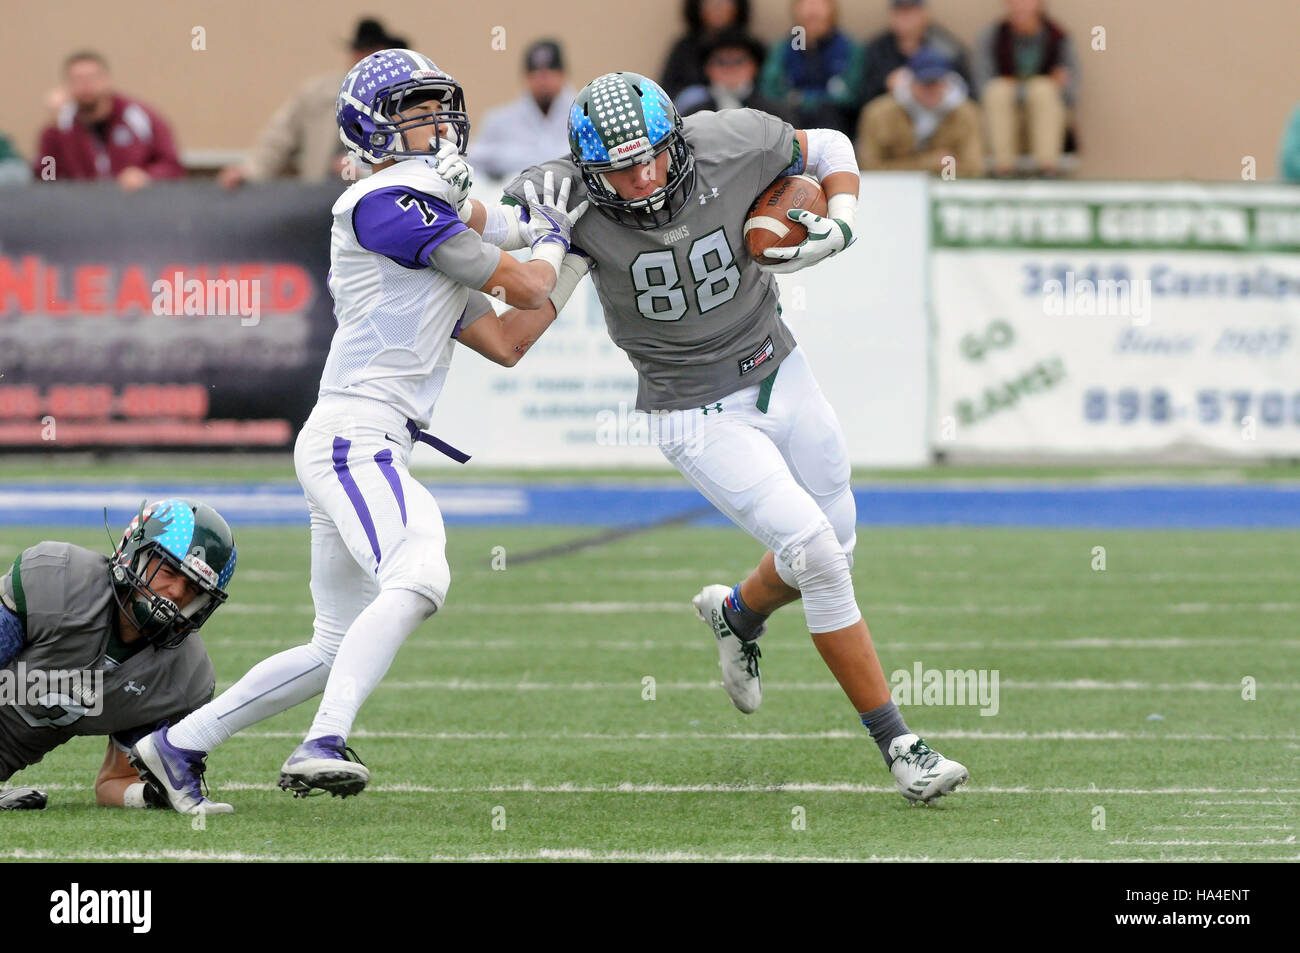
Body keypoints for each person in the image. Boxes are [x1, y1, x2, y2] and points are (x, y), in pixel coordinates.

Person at [445, 71, 969, 804]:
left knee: (835, 540)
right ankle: (900, 744)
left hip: (781, 367)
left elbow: (830, 146)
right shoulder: (563, 196)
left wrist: (841, 221)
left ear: (676, 139)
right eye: (621, 168)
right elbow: (509, 298)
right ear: (590, 170)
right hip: (691, 408)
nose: (644, 177)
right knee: (816, 552)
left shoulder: (732, 139)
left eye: (653, 155)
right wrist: (447, 227)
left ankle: (737, 613)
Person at [132, 48, 589, 812]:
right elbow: (526, 271)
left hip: (355, 437)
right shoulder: (384, 200)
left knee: (333, 644)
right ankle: (323, 740)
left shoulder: (427, 215)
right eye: (414, 114)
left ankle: (178, 745)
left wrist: (565, 244)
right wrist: (556, 238)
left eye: (438, 108)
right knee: (421, 570)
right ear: (368, 131)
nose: (436, 125)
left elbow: (511, 338)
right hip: (357, 435)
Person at [0, 500, 236, 811]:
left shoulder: (182, 677)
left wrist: (151, 795)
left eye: (194, 588)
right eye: (168, 571)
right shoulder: (59, 581)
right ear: (133, 554)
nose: (178, 593)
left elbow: (114, 783)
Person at [219, 18, 407, 188]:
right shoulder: (318, 94)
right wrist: (248, 170)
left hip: (377, 200)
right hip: (319, 199)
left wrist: (364, 171)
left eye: (372, 51)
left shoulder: (403, 97)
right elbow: (278, 137)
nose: (365, 58)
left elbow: (411, 153)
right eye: (361, 51)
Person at [31, 51, 184, 188]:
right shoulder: (60, 126)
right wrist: (54, 131)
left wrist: (147, 176)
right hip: (81, 210)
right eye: (77, 80)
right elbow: (45, 178)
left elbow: (172, 165)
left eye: (91, 78)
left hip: (134, 206)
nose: (85, 86)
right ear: (67, 86)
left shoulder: (138, 116)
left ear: (107, 80)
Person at [973, 0, 1078, 176]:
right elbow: (981, 85)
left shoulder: (1057, 37)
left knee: (1042, 89)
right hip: (1005, 114)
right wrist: (1019, 88)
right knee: (999, 90)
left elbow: (1072, 90)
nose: (1021, 6)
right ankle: (1003, 168)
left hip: (1044, 116)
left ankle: (1048, 166)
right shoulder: (993, 36)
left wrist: (1059, 85)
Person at [857, 48, 984, 175]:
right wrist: (930, 163)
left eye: (936, 82)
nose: (931, 89)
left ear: (947, 83)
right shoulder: (878, 114)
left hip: (947, 187)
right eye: (924, 82)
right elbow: (869, 167)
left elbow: (974, 168)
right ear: (910, 82)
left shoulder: (966, 114)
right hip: (892, 189)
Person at [469, 40, 576, 181]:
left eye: (548, 74)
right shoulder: (499, 120)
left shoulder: (584, 116)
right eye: (536, 74)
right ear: (526, 77)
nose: (542, 81)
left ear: (562, 74)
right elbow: (474, 162)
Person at [759, 0, 865, 137]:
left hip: (836, 125)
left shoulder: (850, 49)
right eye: (805, 3)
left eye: (820, 3)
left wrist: (806, 99)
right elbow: (769, 90)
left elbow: (852, 95)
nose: (812, 9)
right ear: (795, 10)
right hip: (789, 124)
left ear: (832, 10)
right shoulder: (782, 49)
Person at [859, 0, 971, 107]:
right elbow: (863, 97)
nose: (906, 19)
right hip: (895, 112)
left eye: (911, 12)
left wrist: (939, 88)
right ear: (891, 16)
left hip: (939, 111)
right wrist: (885, 84)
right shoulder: (876, 50)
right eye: (900, 13)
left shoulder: (948, 48)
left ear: (925, 14)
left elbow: (967, 90)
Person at [675, 29, 791, 122]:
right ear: (708, 69)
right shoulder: (692, 115)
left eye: (738, 61)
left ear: (754, 67)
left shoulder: (775, 114)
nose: (730, 69)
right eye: (721, 62)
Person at [660, 0, 758, 101]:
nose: (717, 6)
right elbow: (666, 94)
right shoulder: (684, 49)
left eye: (738, 62)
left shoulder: (751, 47)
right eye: (720, 62)